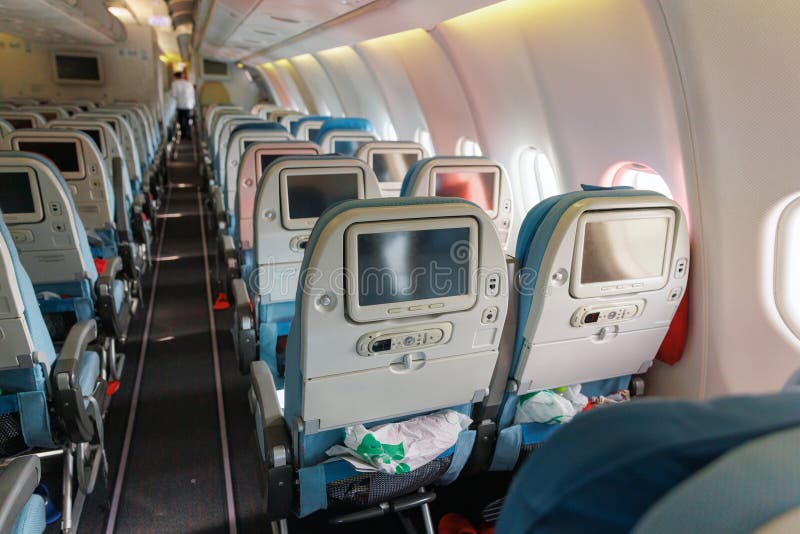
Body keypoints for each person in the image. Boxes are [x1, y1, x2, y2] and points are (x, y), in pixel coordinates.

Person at [170, 71, 195, 141]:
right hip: (189, 104)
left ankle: (183, 135)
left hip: (180, 105)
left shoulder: (174, 84)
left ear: (175, 77)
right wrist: (193, 104)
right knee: (188, 119)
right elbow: (192, 94)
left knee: (181, 120)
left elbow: (173, 95)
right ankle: (188, 134)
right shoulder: (189, 83)